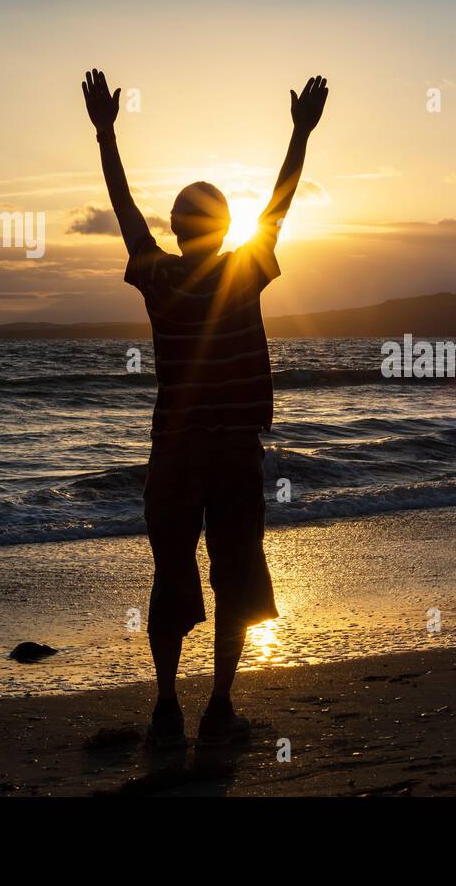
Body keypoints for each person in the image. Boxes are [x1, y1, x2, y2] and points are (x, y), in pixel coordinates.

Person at [81, 68, 329, 747]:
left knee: (171, 575)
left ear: (174, 230)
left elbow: (123, 205)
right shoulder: (243, 270)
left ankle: (166, 703)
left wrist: (106, 133)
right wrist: (300, 133)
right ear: (225, 229)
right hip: (232, 452)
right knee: (236, 577)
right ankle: (219, 704)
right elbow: (281, 201)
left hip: (176, 452)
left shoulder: (157, 275)